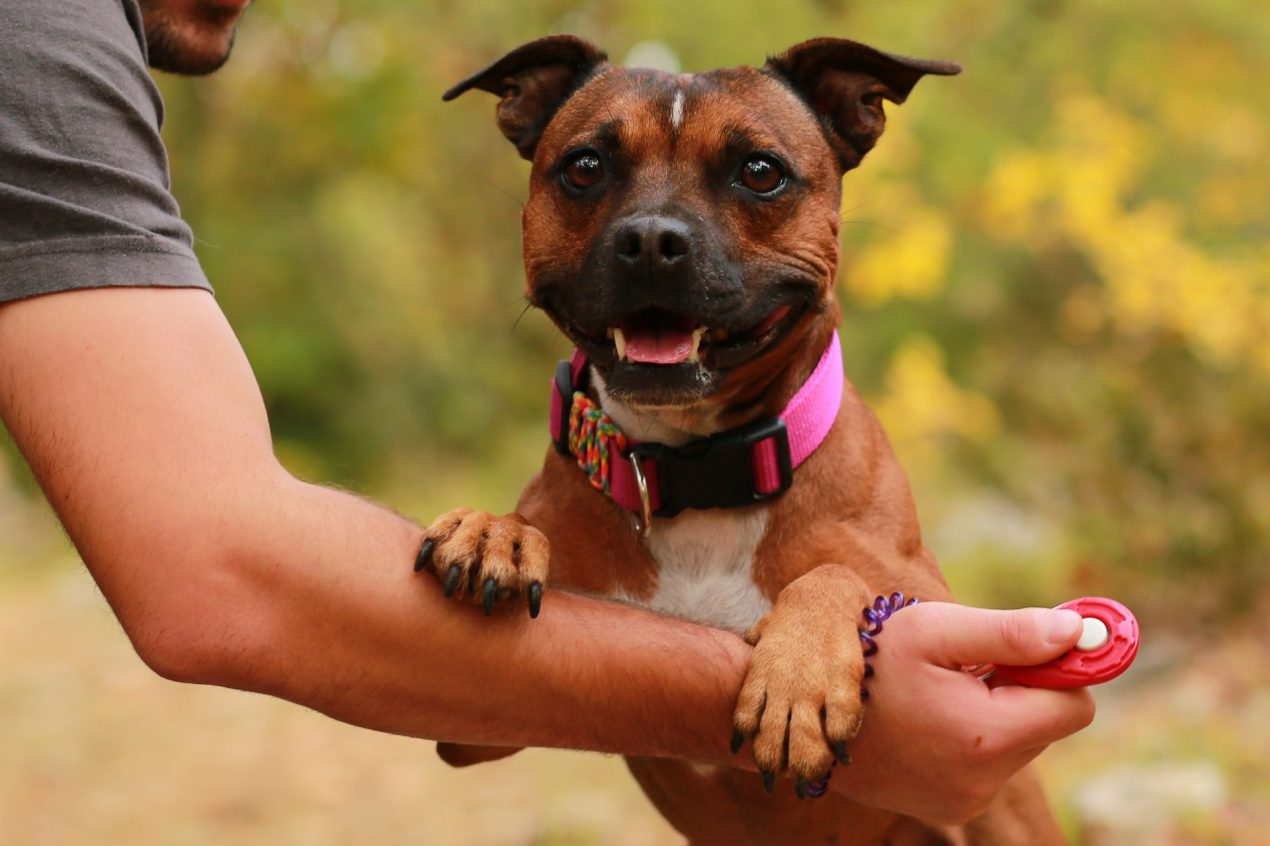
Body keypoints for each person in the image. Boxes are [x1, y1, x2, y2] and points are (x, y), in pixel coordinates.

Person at [0, 0, 1094, 826]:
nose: (653, 231)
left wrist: (826, 608)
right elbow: (464, 736)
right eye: (585, 176)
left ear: (845, 150)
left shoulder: (857, 495)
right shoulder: (554, 515)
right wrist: (503, 551)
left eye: (755, 176)